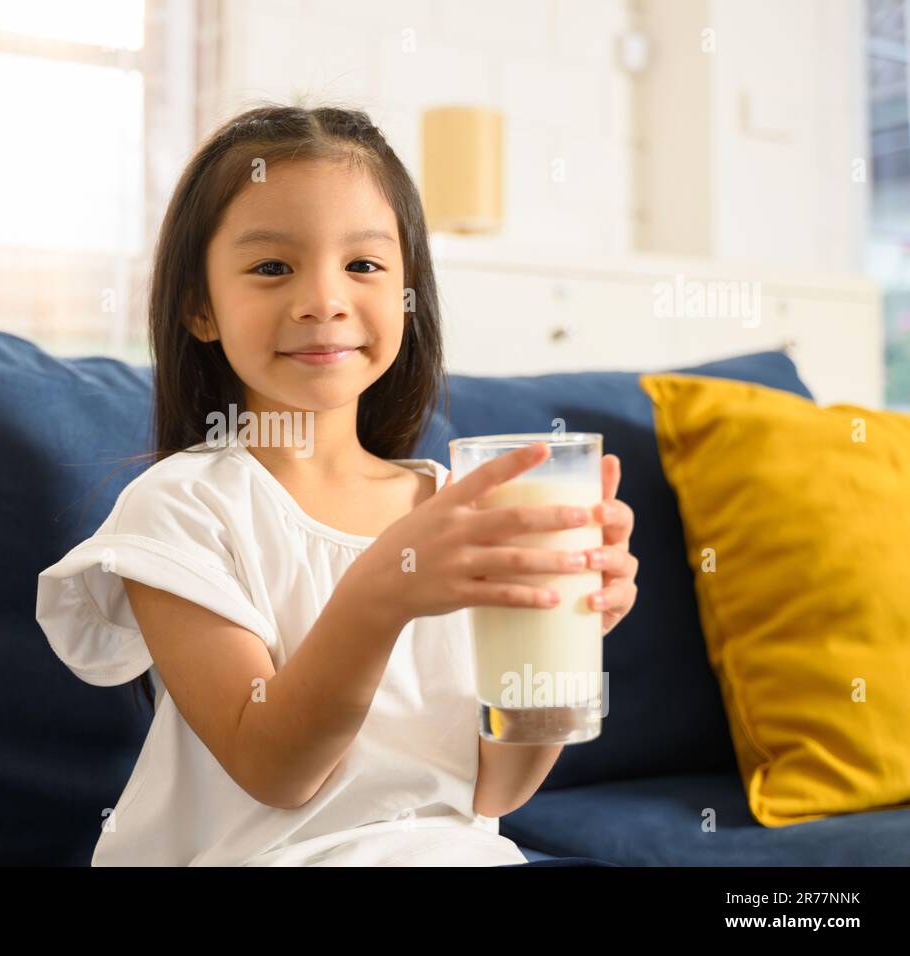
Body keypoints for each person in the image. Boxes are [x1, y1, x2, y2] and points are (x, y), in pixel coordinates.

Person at [35, 104, 639, 866]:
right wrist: (382, 592)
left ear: (408, 293)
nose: (324, 300)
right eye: (271, 267)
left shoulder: (457, 510)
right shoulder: (182, 511)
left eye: (364, 265)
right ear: (199, 306)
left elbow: (493, 794)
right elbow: (276, 770)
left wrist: (562, 634)